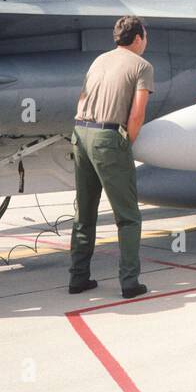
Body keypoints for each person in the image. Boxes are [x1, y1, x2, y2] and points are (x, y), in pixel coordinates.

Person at [68, 16, 154, 299]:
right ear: (138, 38)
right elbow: (138, 113)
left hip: (81, 133)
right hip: (107, 139)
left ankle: (78, 278)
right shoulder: (142, 66)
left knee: (85, 213)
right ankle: (129, 282)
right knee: (128, 216)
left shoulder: (99, 60)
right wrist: (125, 142)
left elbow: (82, 99)